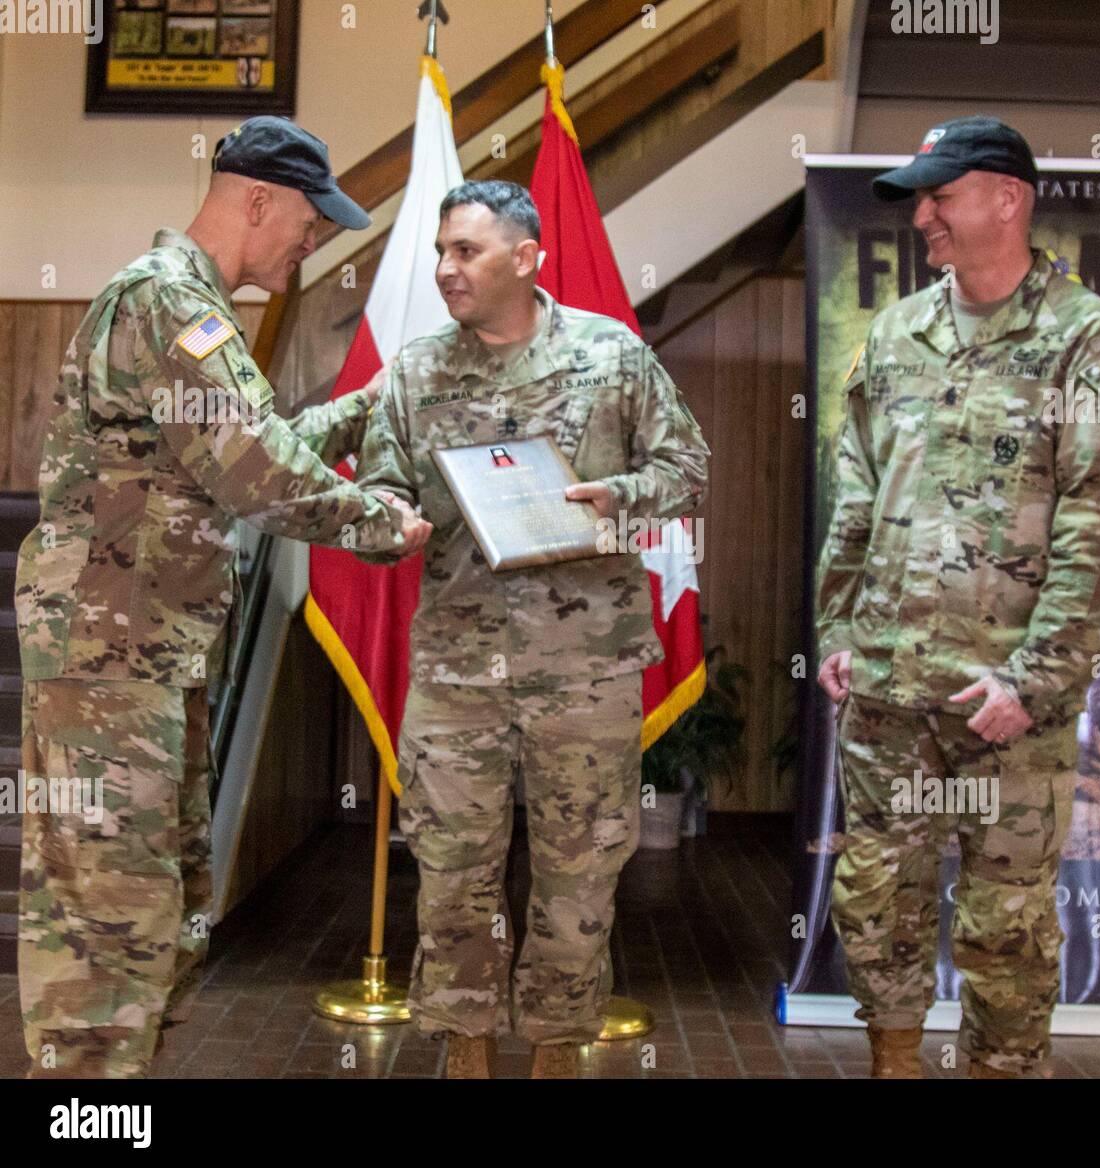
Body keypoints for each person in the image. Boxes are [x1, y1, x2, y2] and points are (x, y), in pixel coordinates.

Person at [14, 116, 432, 1079]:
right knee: (106, 936)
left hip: (147, 659)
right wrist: (379, 524)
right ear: (256, 200)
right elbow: (257, 472)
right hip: (110, 669)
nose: (312, 241)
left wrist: (369, 403)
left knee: (161, 915)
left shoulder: (191, 311)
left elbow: (246, 444)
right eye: (309, 221)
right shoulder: (170, 307)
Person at [816, 116, 1100, 1078]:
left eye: (940, 194)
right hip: (886, 690)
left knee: (1005, 933)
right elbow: (855, 487)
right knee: (877, 903)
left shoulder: (1089, 345)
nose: (922, 215)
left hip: (1006, 701)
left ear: (1007, 199)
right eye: (917, 199)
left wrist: (1037, 683)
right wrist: (839, 624)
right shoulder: (896, 334)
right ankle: (892, 1065)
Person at [354, 179, 709, 1079]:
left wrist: (620, 496)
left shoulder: (611, 356)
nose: (445, 270)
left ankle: (556, 1056)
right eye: (440, 251)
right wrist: (390, 516)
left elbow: (688, 466)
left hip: (584, 666)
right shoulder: (416, 370)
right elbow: (383, 480)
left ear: (526, 257)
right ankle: (465, 1054)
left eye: (466, 251)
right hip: (459, 666)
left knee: (579, 875)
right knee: (450, 872)